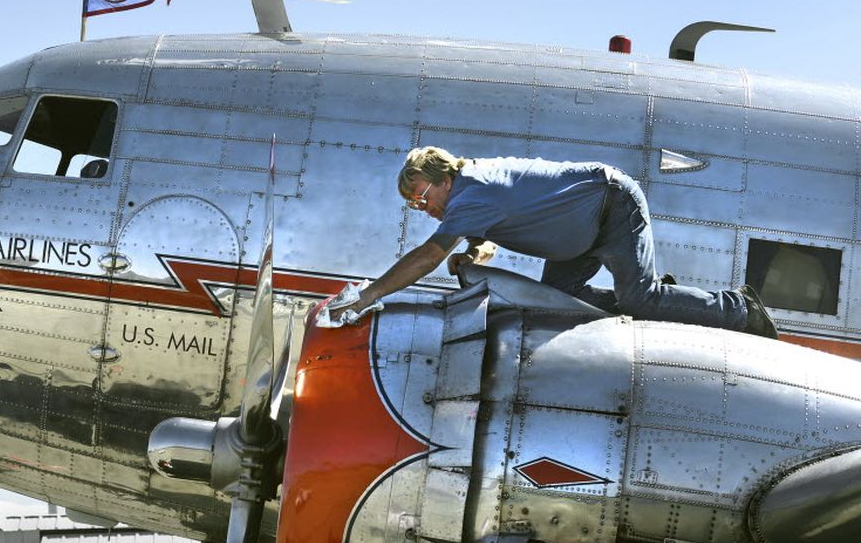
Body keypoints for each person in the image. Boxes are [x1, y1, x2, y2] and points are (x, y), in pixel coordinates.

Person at [329, 147, 778, 338]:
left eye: (421, 197)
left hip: (610, 207)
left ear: (443, 179)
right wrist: (470, 255)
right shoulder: (468, 192)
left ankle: (739, 310)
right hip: (581, 231)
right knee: (557, 302)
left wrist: (368, 296)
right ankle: (668, 304)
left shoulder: (470, 194)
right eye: (413, 205)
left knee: (639, 298)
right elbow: (486, 247)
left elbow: (428, 255)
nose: (421, 208)